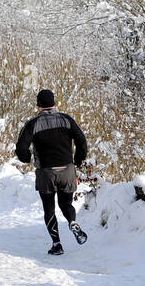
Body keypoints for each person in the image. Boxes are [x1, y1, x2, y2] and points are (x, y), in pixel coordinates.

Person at [15, 88, 89, 255]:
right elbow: (82, 141)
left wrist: (27, 158)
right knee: (66, 203)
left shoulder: (32, 124)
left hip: (46, 172)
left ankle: (57, 244)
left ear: (38, 106)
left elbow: (21, 148)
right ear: (54, 104)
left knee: (49, 208)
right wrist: (77, 160)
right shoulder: (66, 119)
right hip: (67, 170)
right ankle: (72, 221)